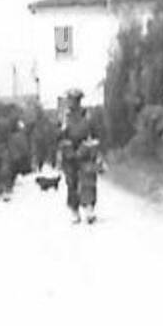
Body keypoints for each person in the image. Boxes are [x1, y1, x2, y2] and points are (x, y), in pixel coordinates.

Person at [57, 89, 103, 224]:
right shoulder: (63, 118)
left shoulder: (88, 117)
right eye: (70, 99)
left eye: (75, 100)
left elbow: (96, 136)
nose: (72, 102)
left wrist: (88, 147)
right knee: (72, 183)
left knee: (88, 181)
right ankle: (74, 211)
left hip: (85, 153)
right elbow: (57, 137)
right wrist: (65, 147)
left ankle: (89, 209)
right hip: (69, 155)